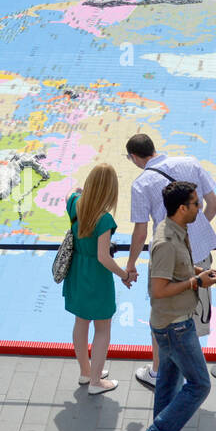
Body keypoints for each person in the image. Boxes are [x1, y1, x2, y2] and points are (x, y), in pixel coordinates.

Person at [138, 182, 216, 431]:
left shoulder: (179, 231)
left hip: (174, 323)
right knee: (200, 384)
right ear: (181, 208)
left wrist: (202, 272)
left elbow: (182, 268)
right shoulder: (165, 242)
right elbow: (158, 290)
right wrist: (196, 283)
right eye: (195, 204)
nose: (200, 208)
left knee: (167, 383)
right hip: (174, 326)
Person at [123, 133, 216, 390]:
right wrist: (196, 232)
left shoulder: (141, 184)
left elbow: (141, 232)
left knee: (163, 313)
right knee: (195, 314)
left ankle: (159, 372)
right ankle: (190, 372)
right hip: (200, 252)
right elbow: (214, 205)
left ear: (134, 157)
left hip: (168, 256)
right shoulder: (190, 162)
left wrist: (131, 264)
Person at [63, 165, 132, 395]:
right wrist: (124, 275)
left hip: (77, 270)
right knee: (102, 328)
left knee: (80, 323)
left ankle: (86, 372)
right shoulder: (104, 219)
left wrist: (80, 191)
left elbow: (70, 192)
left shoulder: (75, 203)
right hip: (97, 276)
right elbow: (103, 257)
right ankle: (96, 382)